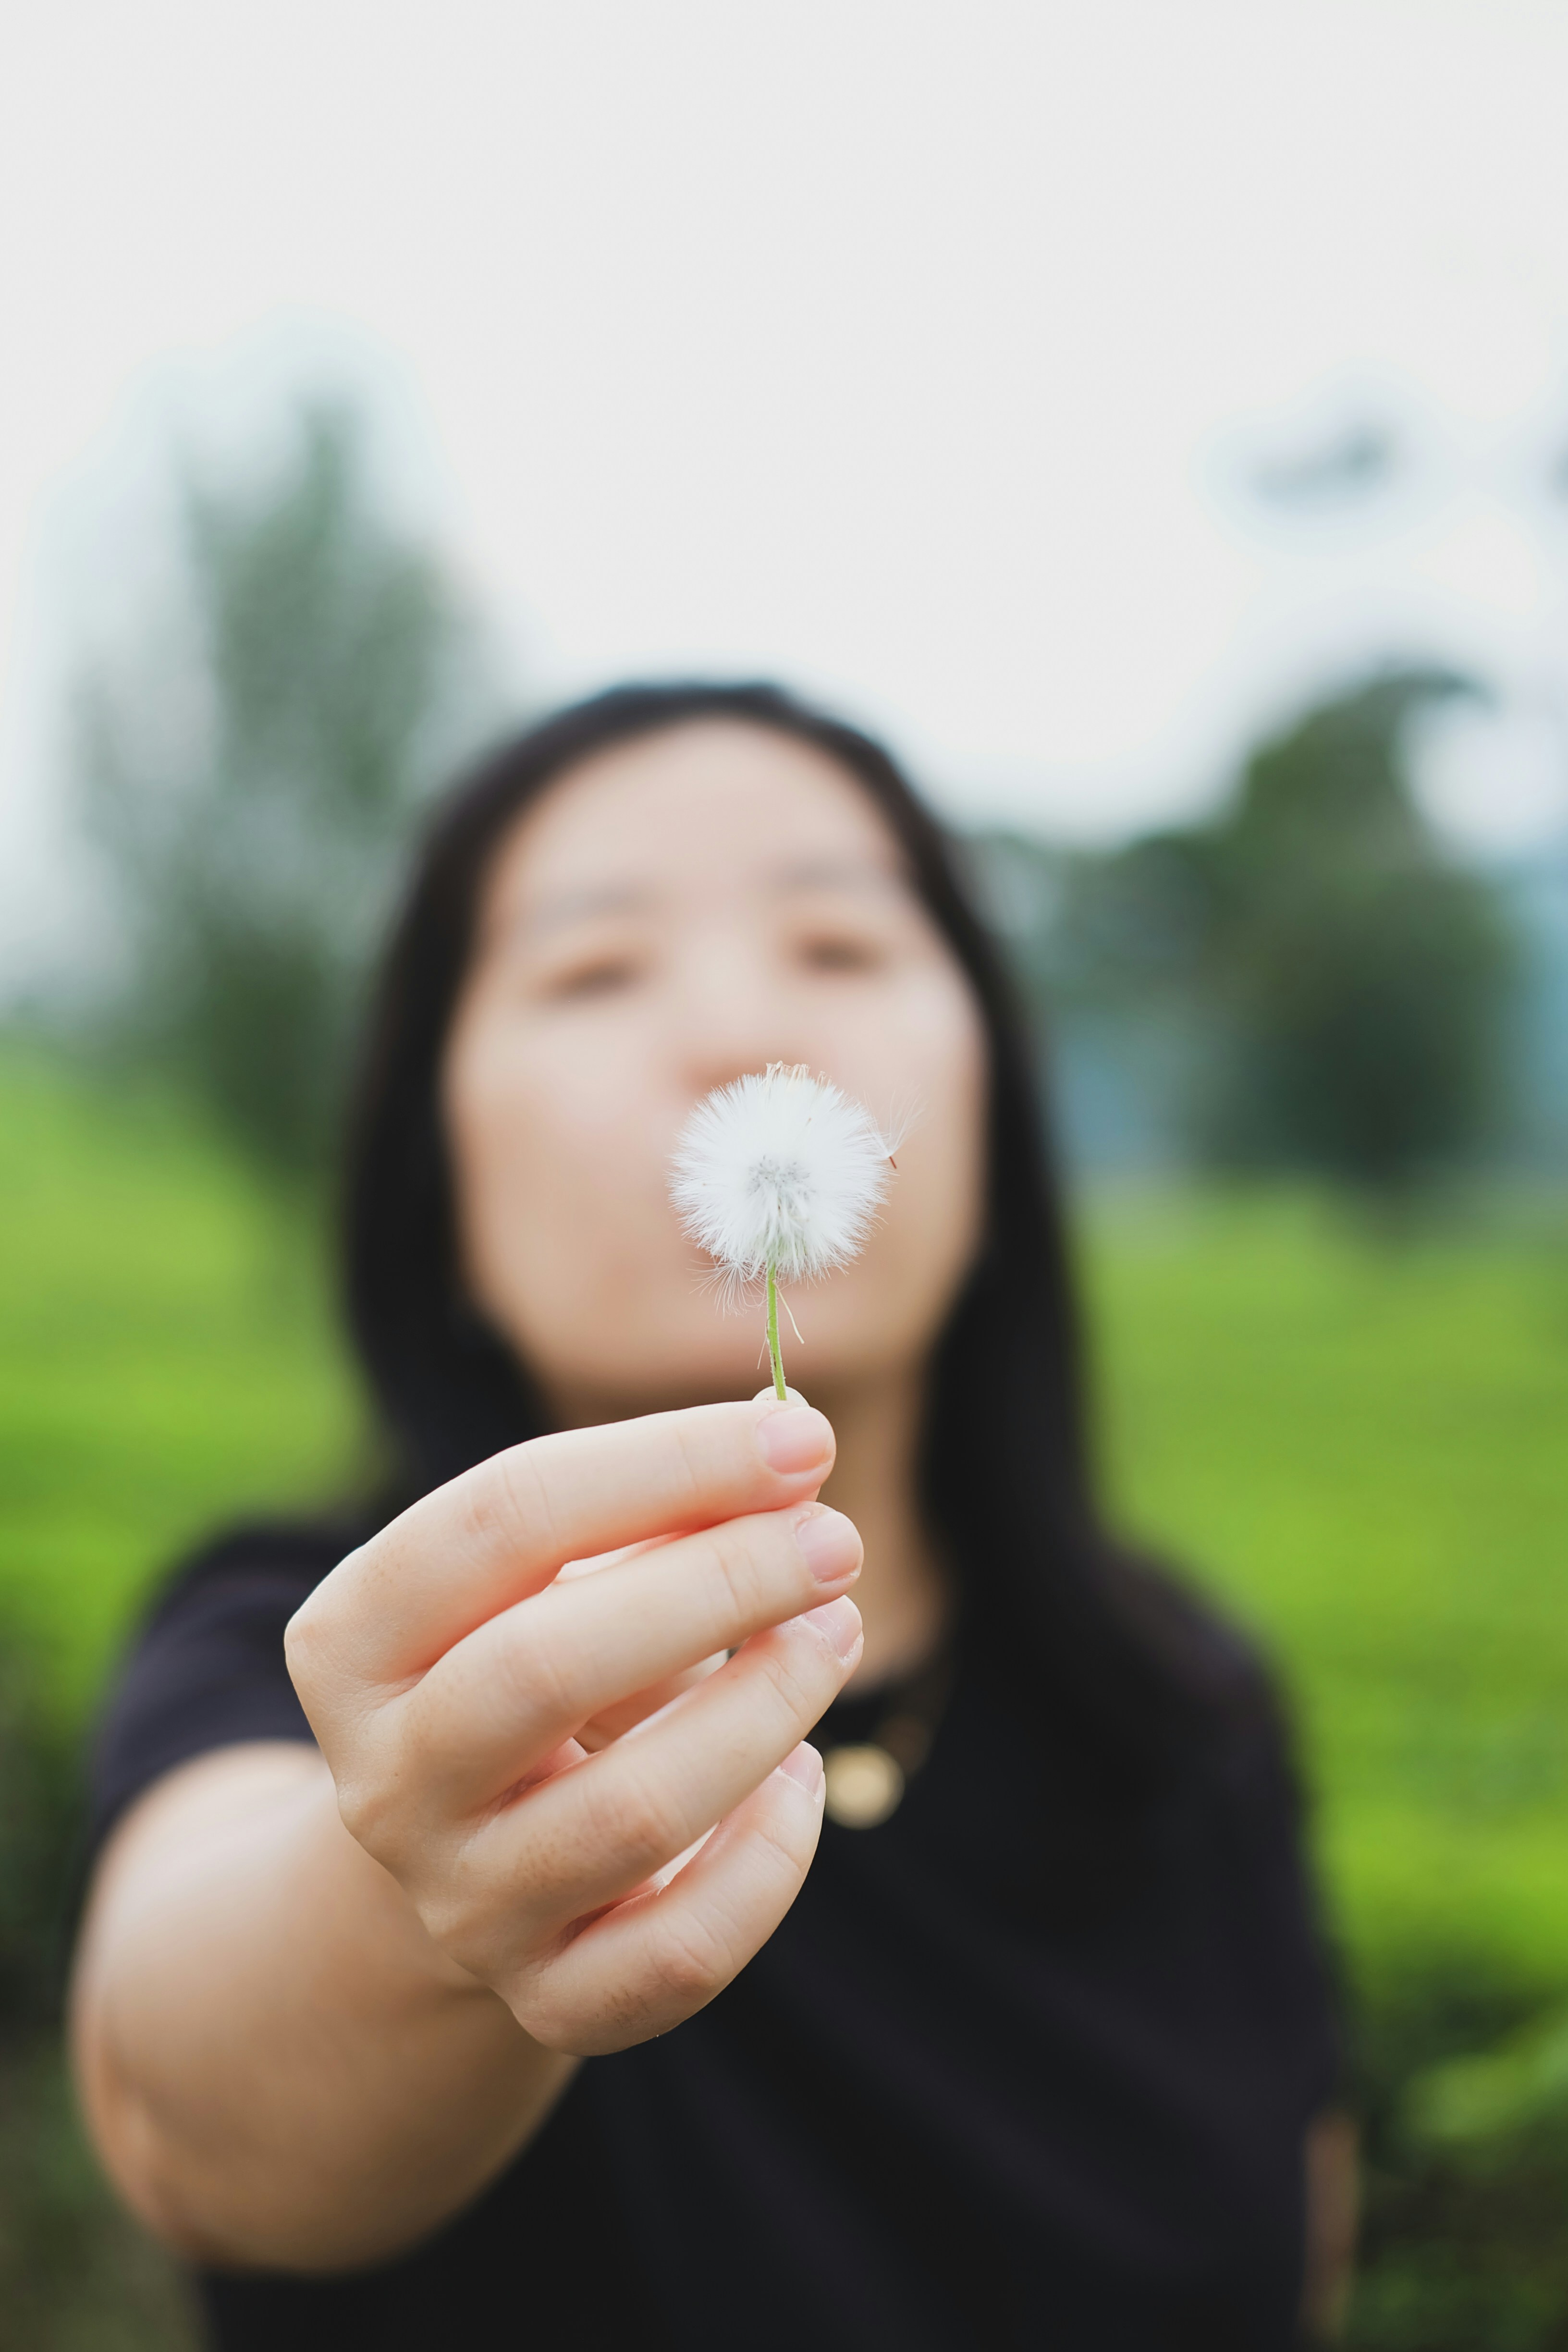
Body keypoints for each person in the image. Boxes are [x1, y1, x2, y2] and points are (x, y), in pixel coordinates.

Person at [71, 683, 1352, 2349]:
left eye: (839, 946)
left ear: (988, 1111)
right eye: (594, 971)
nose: (744, 1033)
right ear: (435, 1169)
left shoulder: (1180, 1710)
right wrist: (422, 1898)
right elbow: (186, 2119)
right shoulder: (288, 1657)